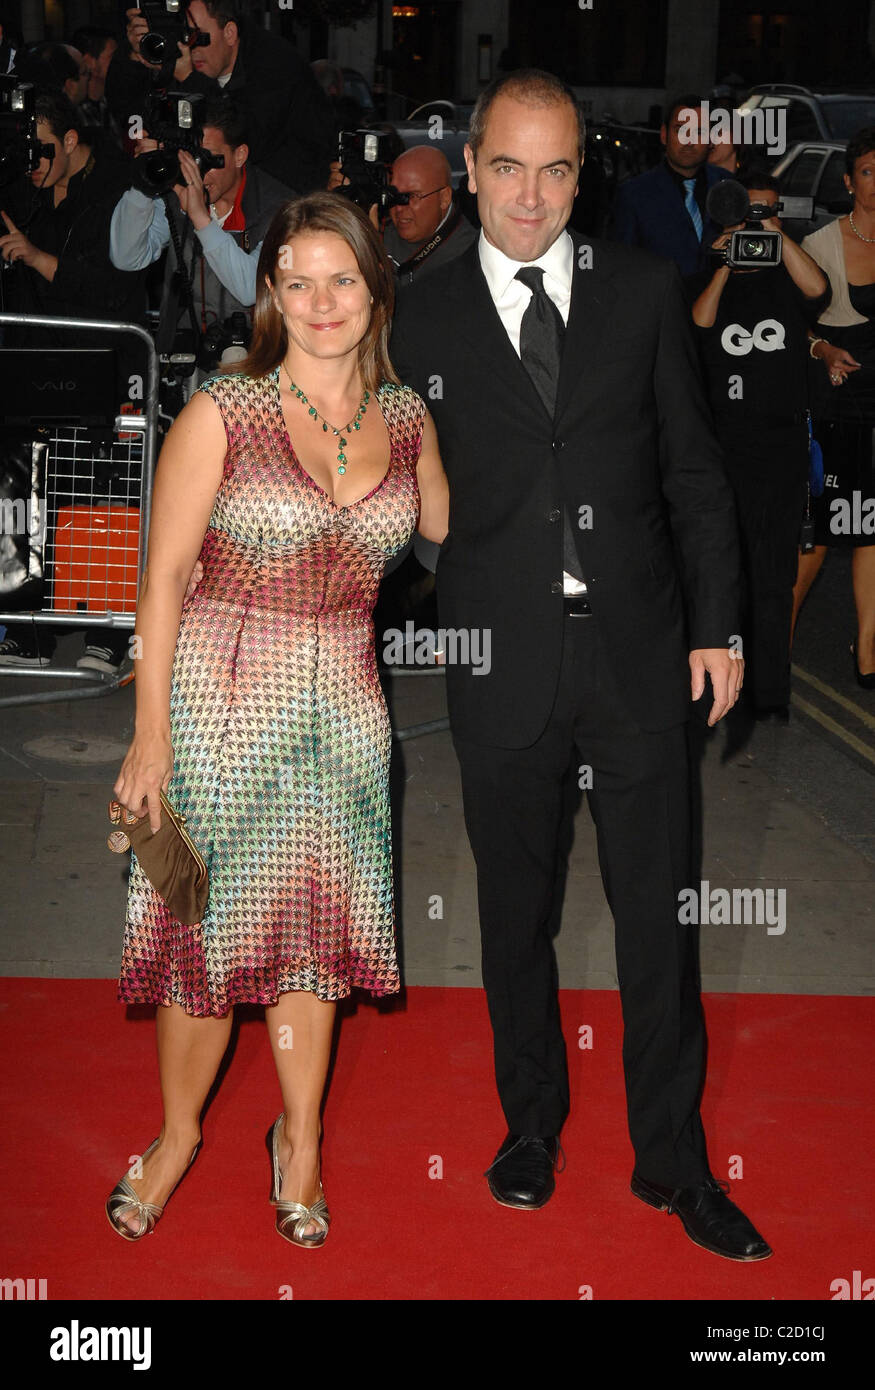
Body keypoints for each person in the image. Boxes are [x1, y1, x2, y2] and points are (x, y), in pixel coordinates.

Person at [390, 69, 771, 1261]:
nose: (530, 193)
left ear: (579, 174)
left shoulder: (645, 294)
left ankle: (673, 1161)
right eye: (506, 165)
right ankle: (528, 1132)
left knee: (659, 921)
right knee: (514, 918)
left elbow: (694, 477)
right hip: (498, 659)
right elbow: (387, 491)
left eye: (556, 168)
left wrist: (719, 626)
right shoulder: (420, 314)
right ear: (468, 168)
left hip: (638, 657)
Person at [105, 192, 448, 1247]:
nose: (319, 299)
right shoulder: (223, 407)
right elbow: (158, 580)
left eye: (340, 276)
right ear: (270, 296)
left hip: (343, 717)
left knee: (312, 945)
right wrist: (148, 735)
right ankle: (174, 1136)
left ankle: (296, 1140)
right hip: (214, 706)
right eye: (295, 279)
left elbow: (453, 529)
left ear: (375, 285)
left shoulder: (406, 418)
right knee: (200, 935)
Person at [0, 89, 146, 675]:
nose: (32, 162)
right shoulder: (20, 187)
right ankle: (25, 623)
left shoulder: (115, 190)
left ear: (71, 141)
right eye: (24, 150)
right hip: (28, 362)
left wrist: (37, 258)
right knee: (21, 491)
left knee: (96, 492)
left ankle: (104, 634)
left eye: (42, 150)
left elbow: (121, 292)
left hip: (99, 363)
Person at [691, 172, 830, 719]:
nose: (756, 222)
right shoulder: (709, 273)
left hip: (783, 447)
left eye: (769, 211)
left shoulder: (787, 279)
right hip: (727, 449)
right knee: (728, 570)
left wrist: (774, 232)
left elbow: (819, 290)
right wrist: (727, 262)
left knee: (775, 576)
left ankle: (769, 694)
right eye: (747, 210)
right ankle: (722, 680)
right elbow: (698, 324)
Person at [110, 98, 294, 379]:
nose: (198, 172)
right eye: (191, 157)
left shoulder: (279, 207)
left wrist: (200, 218)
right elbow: (127, 257)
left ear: (240, 155)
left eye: (208, 158)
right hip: (186, 364)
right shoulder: (178, 195)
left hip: (259, 370)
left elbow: (249, 288)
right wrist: (145, 179)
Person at [794, 127, 875, 689]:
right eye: (869, 171)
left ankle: (867, 648)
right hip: (841, 408)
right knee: (822, 535)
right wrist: (822, 348)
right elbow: (787, 326)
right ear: (849, 182)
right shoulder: (822, 243)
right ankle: (777, 639)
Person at [176, 1, 336, 194]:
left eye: (198, 36)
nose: (191, 49)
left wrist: (191, 79)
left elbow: (246, 138)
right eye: (185, 37)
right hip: (248, 191)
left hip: (291, 197)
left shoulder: (274, 65)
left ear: (229, 33)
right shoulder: (220, 63)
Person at [611, 93, 731, 276]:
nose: (689, 141)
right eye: (680, 130)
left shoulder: (727, 186)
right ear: (664, 135)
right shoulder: (634, 194)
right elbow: (620, 264)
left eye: (699, 131)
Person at [383, 146, 478, 291]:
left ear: (444, 198)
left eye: (412, 196)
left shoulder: (470, 257)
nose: (399, 207)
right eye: (394, 195)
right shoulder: (380, 236)